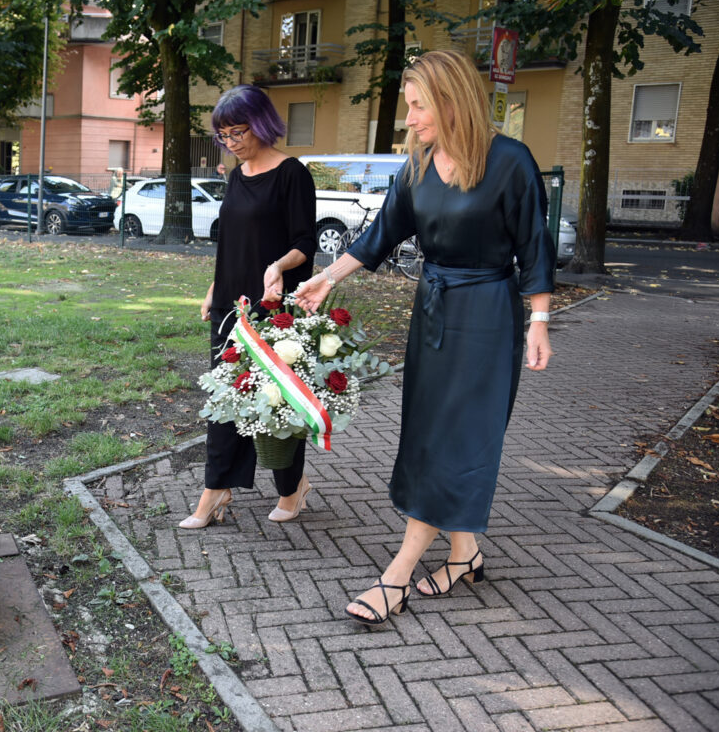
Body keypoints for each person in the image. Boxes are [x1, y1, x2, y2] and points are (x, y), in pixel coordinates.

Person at [293, 50, 556, 626]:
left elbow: (535, 245)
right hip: (434, 316)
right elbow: (378, 236)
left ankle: (399, 574)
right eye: (409, 106)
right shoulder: (416, 167)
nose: (409, 118)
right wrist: (325, 279)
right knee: (429, 430)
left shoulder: (510, 161)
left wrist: (538, 320)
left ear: (451, 99)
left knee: (458, 437)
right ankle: (464, 555)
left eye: (418, 106)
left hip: (488, 316)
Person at [180, 84, 318, 529]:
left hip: (273, 307)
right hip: (229, 305)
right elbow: (231, 244)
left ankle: (291, 487)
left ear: (261, 123)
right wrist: (212, 288)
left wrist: (278, 266)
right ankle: (215, 490)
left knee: (275, 401)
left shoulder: (292, 174)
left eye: (238, 131)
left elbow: (305, 242)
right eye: (224, 135)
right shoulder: (235, 176)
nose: (232, 142)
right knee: (225, 396)